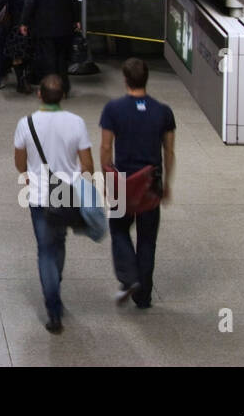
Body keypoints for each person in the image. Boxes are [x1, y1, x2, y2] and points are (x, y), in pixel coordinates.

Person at [13, 75, 94, 334]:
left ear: (39, 95)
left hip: (38, 196)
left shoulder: (25, 124)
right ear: (64, 96)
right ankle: (55, 282)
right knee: (59, 243)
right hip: (67, 193)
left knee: (45, 250)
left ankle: (53, 309)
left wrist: (27, 175)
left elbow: (19, 161)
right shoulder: (77, 123)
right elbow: (88, 166)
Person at [100, 58, 175, 310]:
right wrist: (167, 183)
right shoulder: (163, 111)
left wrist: (107, 177)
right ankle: (143, 296)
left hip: (123, 181)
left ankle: (129, 277)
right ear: (147, 78)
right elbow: (169, 151)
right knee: (147, 239)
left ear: (125, 79)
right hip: (150, 183)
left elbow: (106, 146)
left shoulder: (113, 109)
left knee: (119, 229)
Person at [20, 0, 81, 98]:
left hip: (43, 24)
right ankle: (64, 88)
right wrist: (76, 19)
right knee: (62, 58)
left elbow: (31, 0)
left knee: (48, 59)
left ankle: (51, 88)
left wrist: (24, 21)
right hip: (64, 23)